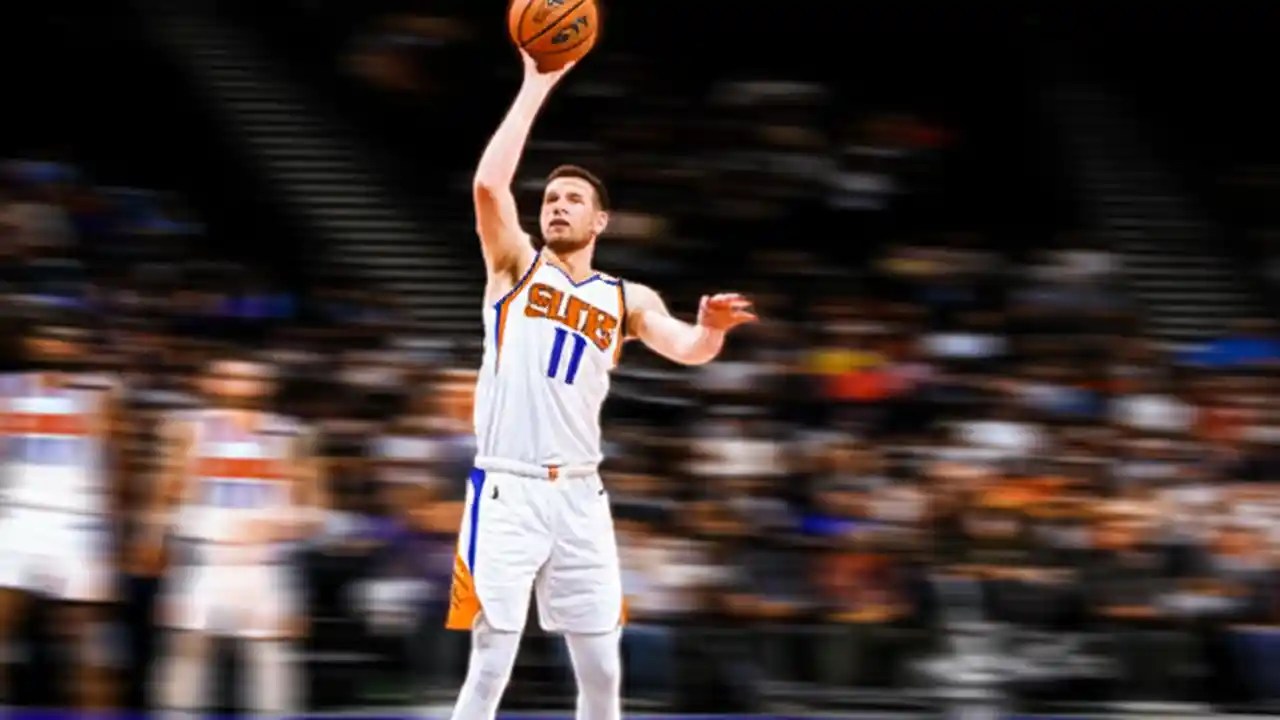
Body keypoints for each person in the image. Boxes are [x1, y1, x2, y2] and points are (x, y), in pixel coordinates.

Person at [445, 50, 757, 720]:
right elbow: (488, 188)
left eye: (573, 199)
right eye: (551, 199)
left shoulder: (627, 297)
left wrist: (711, 332)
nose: (557, 207)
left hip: (582, 494)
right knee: (490, 661)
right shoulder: (514, 266)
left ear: (601, 221)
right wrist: (537, 82)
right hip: (505, 487)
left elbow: (687, 349)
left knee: (602, 670)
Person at [135, 356, 326, 718]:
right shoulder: (185, 428)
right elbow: (163, 491)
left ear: (268, 386)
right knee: (187, 651)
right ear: (209, 382)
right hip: (202, 554)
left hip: (266, 560)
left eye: (248, 376)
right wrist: (151, 539)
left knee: (271, 655)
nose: (238, 383)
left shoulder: (293, 435)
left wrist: (285, 526)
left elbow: (315, 508)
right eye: (228, 375)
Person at [0, 323, 125, 710]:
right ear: (28, 341)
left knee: (87, 642)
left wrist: (115, 530)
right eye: (47, 335)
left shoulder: (102, 392)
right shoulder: (6, 388)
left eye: (65, 336)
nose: (56, 343)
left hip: (78, 521)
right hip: (15, 515)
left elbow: (115, 459)